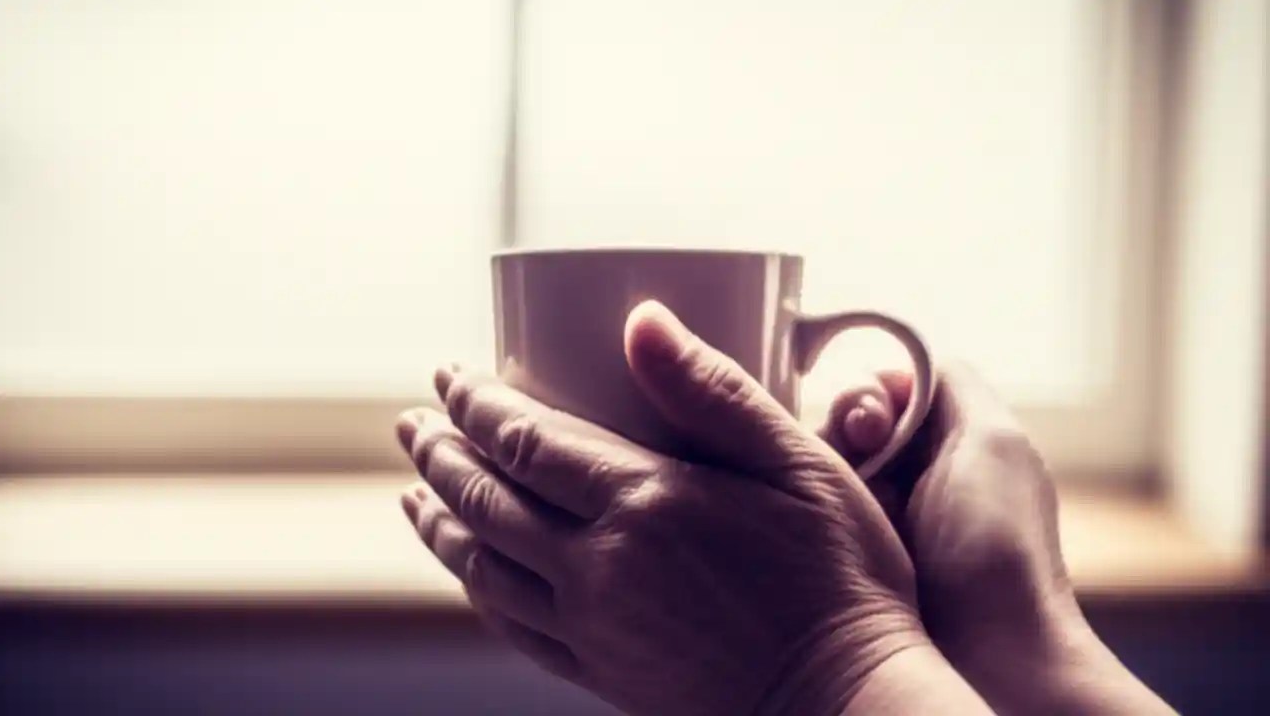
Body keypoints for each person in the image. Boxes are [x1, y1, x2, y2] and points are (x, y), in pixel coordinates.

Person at [395, 300, 1175, 715]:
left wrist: (832, 664)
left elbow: (832, 662)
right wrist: (1021, 642)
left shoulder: (826, 666)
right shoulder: (1009, 640)